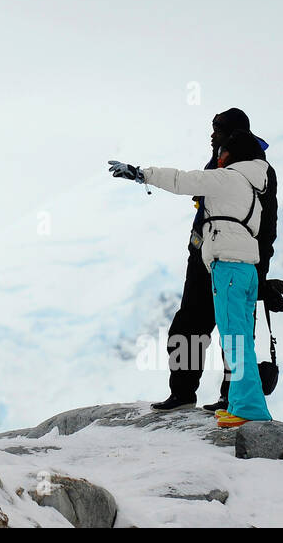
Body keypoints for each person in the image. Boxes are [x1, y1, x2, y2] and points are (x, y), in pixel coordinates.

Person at [109, 129, 274, 428]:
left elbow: (183, 180)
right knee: (238, 340)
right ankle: (238, 402)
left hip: (229, 270)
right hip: (246, 269)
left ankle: (248, 407)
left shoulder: (229, 179)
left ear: (231, 154)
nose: (218, 156)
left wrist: (141, 174)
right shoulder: (254, 185)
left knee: (234, 340)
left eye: (222, 151)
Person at [148, 109, 280, 414]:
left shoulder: (257, 172)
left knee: (234, 330)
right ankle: (181, 393)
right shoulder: (220, 161)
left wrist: (260, 275)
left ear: (233, 134)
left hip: (235, 260)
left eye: (217, 129)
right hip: (202, 256)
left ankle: (230, 397)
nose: (212, 134)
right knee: (188, 325)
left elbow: (266, 226)